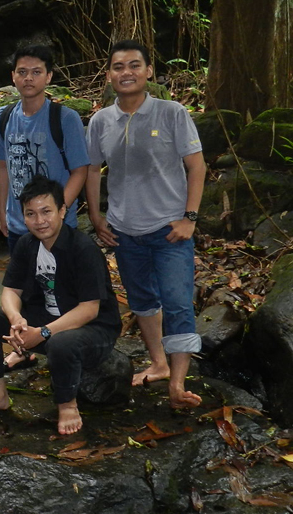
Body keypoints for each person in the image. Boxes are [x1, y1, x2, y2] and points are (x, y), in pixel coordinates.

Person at [84, 40, 206, 409]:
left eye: (134, 65)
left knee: (178, 301)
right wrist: (95, 215)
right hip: (124, 230)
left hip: (169, 230)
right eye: (119, 67)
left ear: (149, 71)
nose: (127, 73)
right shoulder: (102, 120)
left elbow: (197, 167)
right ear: (109, 76)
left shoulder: (171, 112)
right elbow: (92, 168)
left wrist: (190, 218)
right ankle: (158, 364)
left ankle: (179, 383)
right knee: (141, 300)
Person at [0, 176, 121, 435]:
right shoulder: (27, 245)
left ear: (62, 211)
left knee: (61, 341)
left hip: (94, 329)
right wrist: (16, 319)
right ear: (23, 217)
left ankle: (67, 406)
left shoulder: (82, 248)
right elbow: (11, 290)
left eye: (46, 212)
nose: (39, 221)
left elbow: (90, 309)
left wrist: (43, 332)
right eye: (31, 214)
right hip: (45, 318)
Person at [0, 44, 90, 252]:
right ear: (13, 76)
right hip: (19, 226)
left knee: (59, 284)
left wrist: (60, 211)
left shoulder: (65, 119)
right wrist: (2, 212)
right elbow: (1, 167)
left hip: (57, 228)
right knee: (23, 284)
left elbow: (80, 171)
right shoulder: (2, 118)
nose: (28, 78)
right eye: (22, 72)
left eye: (36, 72)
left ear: (49, 77)